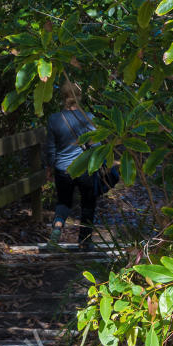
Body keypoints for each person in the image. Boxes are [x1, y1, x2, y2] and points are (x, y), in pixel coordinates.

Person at [44, 80, 118, 250]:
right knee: (88, 204)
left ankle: (56, 230)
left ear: (62, 97)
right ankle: (84, 243)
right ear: (80, 96)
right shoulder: (88, 119)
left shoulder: (54, 119)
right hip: (85, 170)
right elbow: (96, 146)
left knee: (63, 202)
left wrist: (49, 167)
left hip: (62, 170)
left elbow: (50, 148)